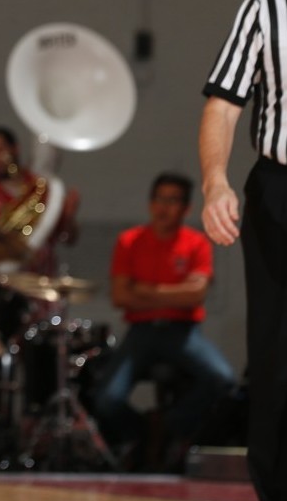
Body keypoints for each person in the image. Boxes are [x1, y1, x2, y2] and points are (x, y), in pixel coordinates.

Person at [199, 0, 287, 501]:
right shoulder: (271, 5)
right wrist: (216, 181)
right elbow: (222, 102)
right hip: (286, 196)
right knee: (282, 365)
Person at [93, 173, 236, 469]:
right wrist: (172, 293)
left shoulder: (196, 243)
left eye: (172, 201)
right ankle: (143, 433)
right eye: (159, 199)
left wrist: (146, 290)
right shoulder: (130, 241)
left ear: (186, 208)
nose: (163, 207)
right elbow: (121, 296)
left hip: (183, 332)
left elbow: (195, 295)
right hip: (141, 331)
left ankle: (170, 425)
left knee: (223, 378)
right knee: (107, 397)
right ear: (150, 203)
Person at [0, 125, 80, 273]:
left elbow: (68, 238)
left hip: (43, 282)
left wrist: (69, 216)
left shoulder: (42, 189)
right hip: (0, 282)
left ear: (15, 148)